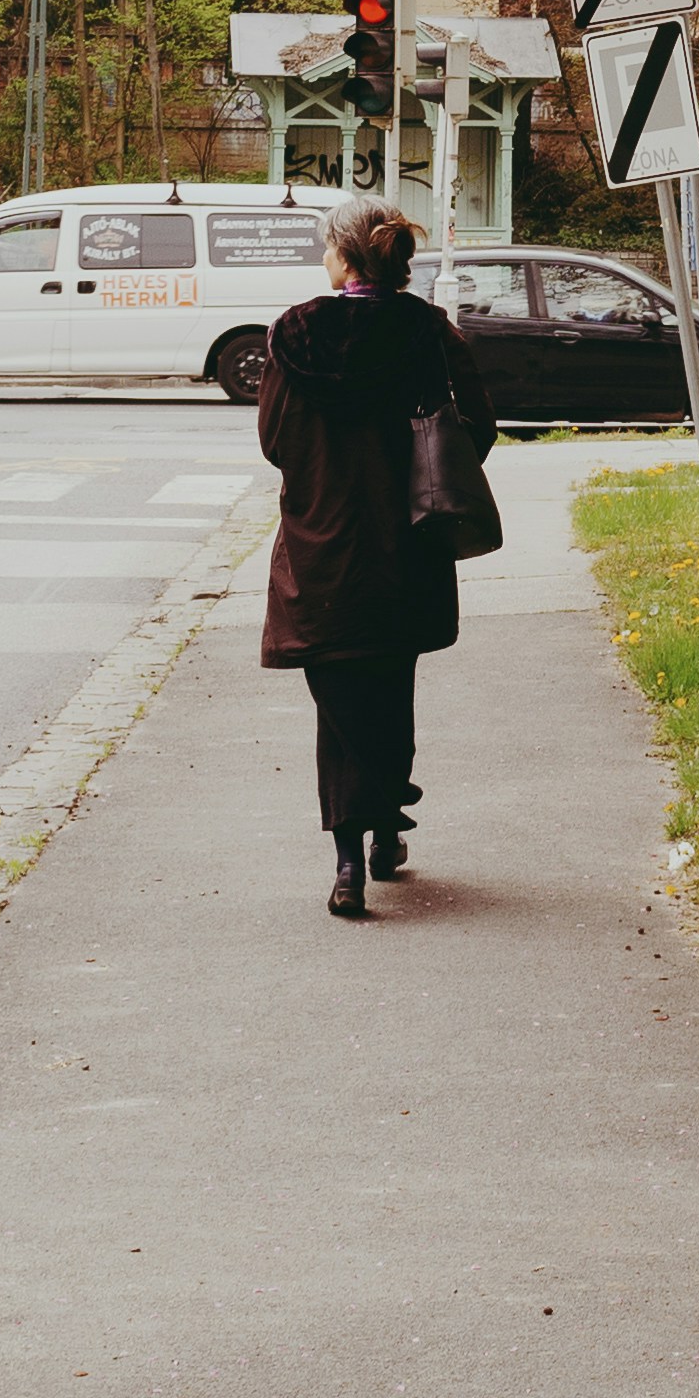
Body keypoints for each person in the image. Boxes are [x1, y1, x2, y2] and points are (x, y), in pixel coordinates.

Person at [256, 203, 498, 920]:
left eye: (327, 246)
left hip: (322, 541)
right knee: (391, 682)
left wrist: (320, 479)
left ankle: (346, 862)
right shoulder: (428, 332)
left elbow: (275, 440)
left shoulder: (296, 334)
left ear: (344, 257)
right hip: (407, 539)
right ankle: (388, 817)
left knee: (338, 697)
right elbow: (475, 429)